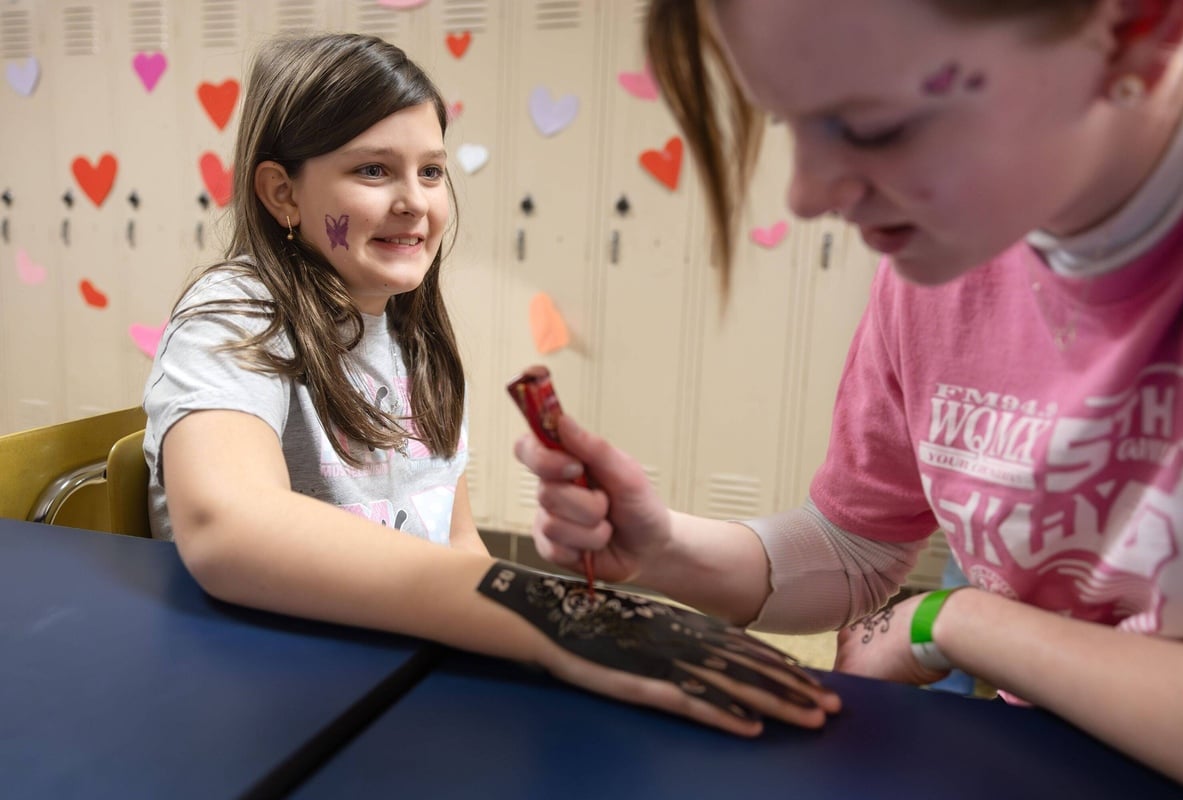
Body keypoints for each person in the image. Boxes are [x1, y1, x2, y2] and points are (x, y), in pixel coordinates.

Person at [514, 0, 1183, 790]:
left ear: (1135, 29)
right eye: (787, 122)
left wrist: (951, 621)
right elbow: (856, 547)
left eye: (876, 127)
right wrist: (663, 546)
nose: (806, 196)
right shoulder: (947, 259)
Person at [143, 32, 836, 736]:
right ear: (282, 192)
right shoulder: (235, 311)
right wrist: (542, 614)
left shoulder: (413, 335)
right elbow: (227, 527)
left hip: (401, 679)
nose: (415, 201)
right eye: (375, 170)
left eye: (433, 172)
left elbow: (458, 541)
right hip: (275, 700)